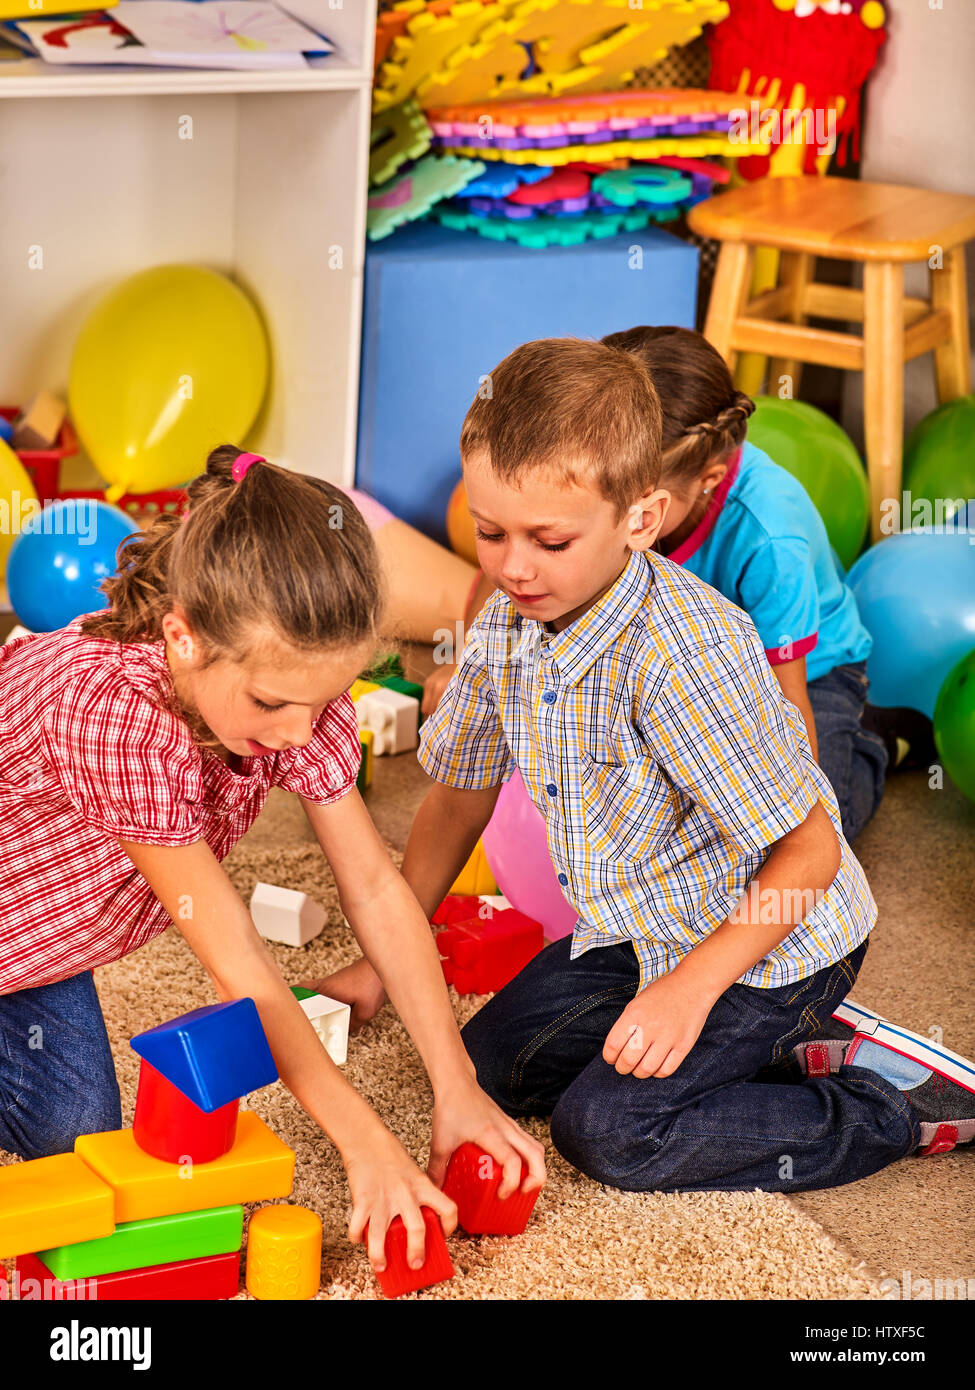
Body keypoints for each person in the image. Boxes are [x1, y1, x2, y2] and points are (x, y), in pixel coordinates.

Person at [317, 338, 975, 1193]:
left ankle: (894, 1104)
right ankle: (783, 1050)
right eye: (489, 532)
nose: (512, 567)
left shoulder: (685, 657)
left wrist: (690, 992)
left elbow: (808, 854)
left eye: (547, 540)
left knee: (612, 1133)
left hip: (775, 949)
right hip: (640, 929)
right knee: (490, 1072)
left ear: (639, 518)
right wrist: (381, 961)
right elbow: (455, 801)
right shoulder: (508, 626)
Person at [0, 446, 544, 1272]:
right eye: (271, 703)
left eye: (325, 699)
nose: (299, 730)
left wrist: (455, 1083)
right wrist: (365, 1144)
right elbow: (241, 965)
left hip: (36, 948)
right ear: (183, 638)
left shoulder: (292, 694)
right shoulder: (109, 711)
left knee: (77, 1139)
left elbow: (373, 887)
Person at [599, 324, 934, 844]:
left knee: (809, 830)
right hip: (691, 664)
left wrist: (798, 843)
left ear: (707, 480)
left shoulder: (769, 535)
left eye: (636, 503)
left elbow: (789, 699)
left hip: (807, 673)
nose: (612, 516)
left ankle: (876, 742)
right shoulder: (635, 483)